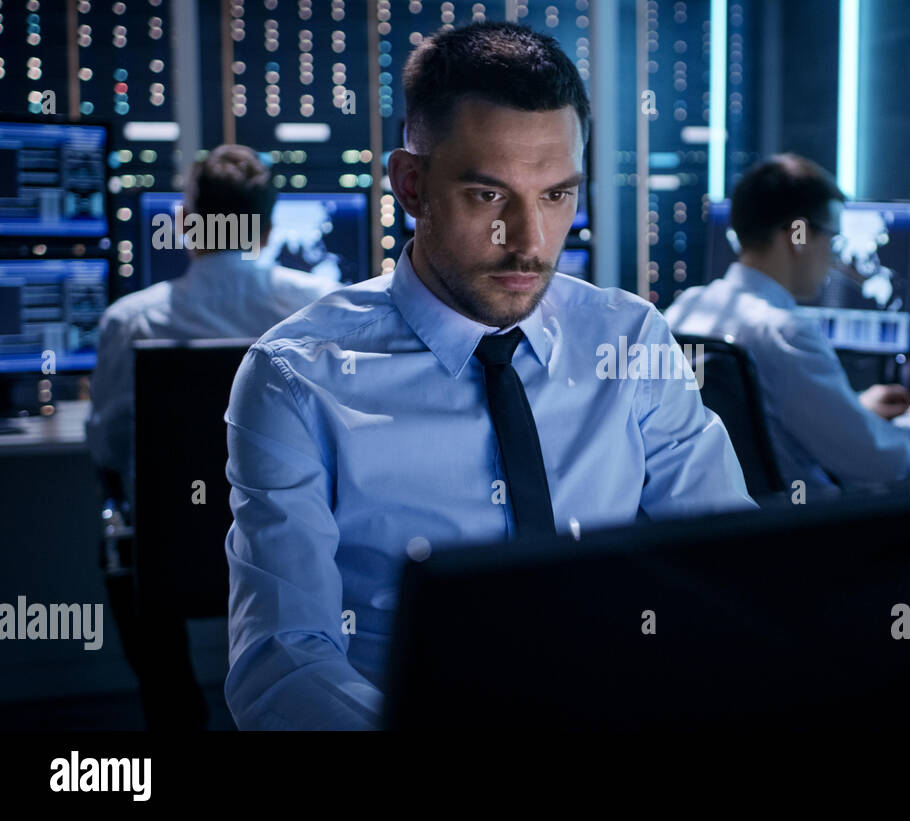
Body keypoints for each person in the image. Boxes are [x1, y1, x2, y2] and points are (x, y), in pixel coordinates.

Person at [223, 21, 755, 730]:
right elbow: (283, 660)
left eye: (557, 196)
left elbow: (731, 564)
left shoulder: (628, 338)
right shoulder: (296, 377)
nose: (530, 242)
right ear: (412, 185)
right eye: (487, 196)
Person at [665, 154, 910, 493]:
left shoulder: (688, 307)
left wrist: (854, 409)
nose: (835, 259)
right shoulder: (785, 333)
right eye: (832, 239)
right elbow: (880, 461)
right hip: (806, 532)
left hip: (728, 528)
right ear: (798, 234)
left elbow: (759, 420)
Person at [85, 144, 340, 496]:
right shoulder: (322, 307)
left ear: (185, 224)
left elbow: (106, 448)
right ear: (266, 233)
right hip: (290, 532)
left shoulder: (129, 322)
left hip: (169, 533)